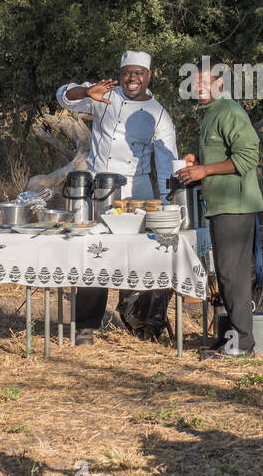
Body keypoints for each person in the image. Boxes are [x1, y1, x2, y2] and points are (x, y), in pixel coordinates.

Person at [56, 50, 178, 344]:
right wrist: (87, 90)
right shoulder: (103, 95)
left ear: (148, 76)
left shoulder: (159, 114)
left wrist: (167, 203)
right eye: (127, 72)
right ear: (120, 73)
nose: (131, 78)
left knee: (136, 257)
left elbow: (165, 162)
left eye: (138, 73)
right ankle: (86, 324)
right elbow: (63, 97)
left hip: (136, 195)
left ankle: (140, 323)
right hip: (97, 189)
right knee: (92, 252)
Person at [177, 61, 263, 357]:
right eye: (196, 83)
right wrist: (195, 162)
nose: (200, 88)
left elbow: (248, 156)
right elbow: (219, 156)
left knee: (233, 274)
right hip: (219, 205)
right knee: (225, 273)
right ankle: (232, 337)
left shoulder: (230, 111)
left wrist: (203, 171)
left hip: (235, 205)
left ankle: (243, 343)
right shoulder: (210, 113)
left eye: (206, 82)